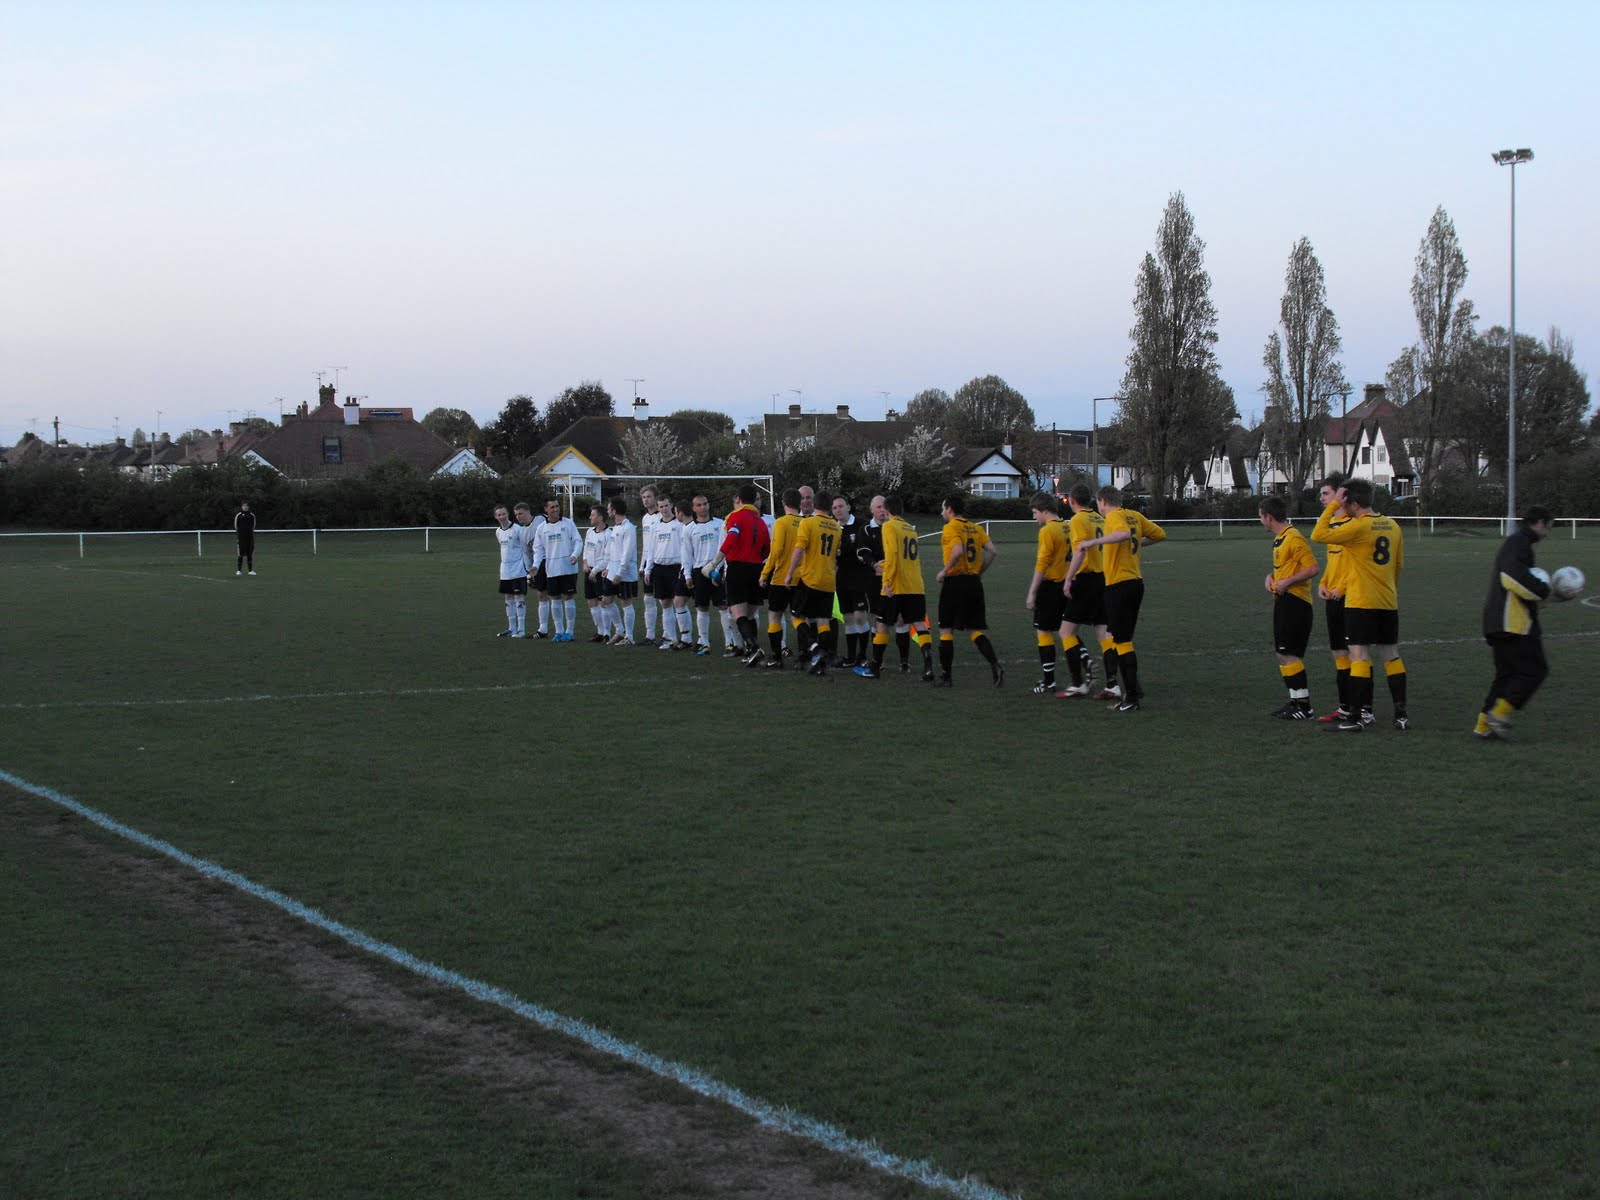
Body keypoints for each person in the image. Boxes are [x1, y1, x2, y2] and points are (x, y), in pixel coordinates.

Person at [1311, 477, 1408, 732]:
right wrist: (1390, 592)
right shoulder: (1393, 526)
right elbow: (1398, 566)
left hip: (1360, 601)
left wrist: (1332, 506)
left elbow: (1318, 534)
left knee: (1359, 655)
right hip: (1388, 601)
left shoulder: (1359, 528)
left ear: (1352, 503)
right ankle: (1401, 715)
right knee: (1391, 655)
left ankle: (1357, 717)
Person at [1074, 486, 1166, 712]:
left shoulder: (1115, 516)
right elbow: (1159, 534)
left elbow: (1124, 534)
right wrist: (1136, 544)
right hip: (1135, 583)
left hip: (1119, 585)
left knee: (1122, 641)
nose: (1098, 507)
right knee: (1115, 637)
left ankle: (1132, 697)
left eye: (1098, 503)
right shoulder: (1134, 515)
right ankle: (1131, 690)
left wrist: (1093, 542)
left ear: (1103, 501)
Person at [1476, 505, 1555, 740]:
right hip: (1513, 623)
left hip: (1497, 621)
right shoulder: (1519, 543)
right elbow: (1512, 577)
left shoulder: (1518, 543)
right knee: (1535, 671)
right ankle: (1499, 716)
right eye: (1548, 526)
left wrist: (1545, 596)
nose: (1548, 532)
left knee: (1507, 675)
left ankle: (1483, 726)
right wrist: (1544, 590)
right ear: (1539, 522)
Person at [857, 494, 935, 680]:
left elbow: (891, 557)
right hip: (915, 584)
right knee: (918, 623)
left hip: (896, 585)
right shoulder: (910, 528)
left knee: (882, 624)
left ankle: (874, 667)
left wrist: (886, 582)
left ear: (888, 509)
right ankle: (929, 667)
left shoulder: (889, 526)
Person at [1258, 495, 1320, 720]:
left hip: (1296, 603)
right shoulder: (1281, 538)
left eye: (1261, 516)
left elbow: (1312, 568)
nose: (1260, 520)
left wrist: (1287, 583)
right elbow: (1285, 568)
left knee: (1289, 654)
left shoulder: (1294, 537)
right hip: (1283, 601)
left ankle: (1304, 706)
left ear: (1269, 517)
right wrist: (1272, 577)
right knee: (1283, 654)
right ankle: (1296, 702)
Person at [933, 493, 1004, 688]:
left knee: (946, 629)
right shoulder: (976, 528)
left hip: (955, 583)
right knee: (974, 629)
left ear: (949, 509)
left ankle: (946, 677)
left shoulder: (951, 527)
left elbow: (957, 552)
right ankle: (995, 664)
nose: (941, 512)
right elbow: (992, 551)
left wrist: (943, 572)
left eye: (943, 508)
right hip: (974, 583)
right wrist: (979, 572)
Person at [701, 483, 772, 666]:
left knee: (737, 612)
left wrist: (713, 564)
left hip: (738, 568)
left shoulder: (736, 516)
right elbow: (766, 550)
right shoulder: (760, 521)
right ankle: (750, 653)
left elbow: (731, 539)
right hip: (756, 569)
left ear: (738, 500)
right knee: (750, 614)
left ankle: (755, 648)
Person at [783, 490, 843, 674]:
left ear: (814, 505)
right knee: (823, 620)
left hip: (810, 578)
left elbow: (799, 549)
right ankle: (821, 660)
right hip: (828, 580)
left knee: (796, 616)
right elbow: (836, 553)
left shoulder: (808, 523)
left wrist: (790, 573)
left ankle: (814, 647)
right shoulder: (836, 526)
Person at [1058, 483, 1109, 699]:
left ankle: (1078, 683)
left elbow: (1079, 552)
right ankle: (1114, 682)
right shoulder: (1100, 518)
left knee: (1066, 632)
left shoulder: (1078, 520)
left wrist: (1068, 579)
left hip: (1087, 579)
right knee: (1104, 634)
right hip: (1103, 579)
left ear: (1072, 501)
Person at [1312, 474, 1355, 725]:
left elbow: (1358, 566)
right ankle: (1345, 706)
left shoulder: (1354, 525)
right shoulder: (1335, 528)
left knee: (1355, 653)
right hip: (1333, 597)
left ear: (1341, 496)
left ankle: (1361, 707)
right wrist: (1324, 584)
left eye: (1326, 494)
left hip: (1349, 598)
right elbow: (1333, 563)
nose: (1322, 499)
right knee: (1339, 652)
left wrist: (1343, 587)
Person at [1024, 492, 1070, 694]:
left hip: (1050, 586)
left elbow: (1042, 564)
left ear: (1044, 510)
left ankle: (1049, 681)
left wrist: (1032, 592)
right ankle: (1084, 664)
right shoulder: (1068, 526)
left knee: (1043, 631)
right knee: (1067, 629)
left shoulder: (1047, 531)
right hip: (1067, 585)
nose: (1034, 517)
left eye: (1035, 512)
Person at [758, 490, 804, 668]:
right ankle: (805, 655)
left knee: (775, 616)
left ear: (783, 502)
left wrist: (764, 574)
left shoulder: (781, 522)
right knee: (799, 617)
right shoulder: (806, 523)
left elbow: (775, 551)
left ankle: (777, 657)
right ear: (800, 503)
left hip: (781, 577)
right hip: (801, 578)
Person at [681, 494, 728, 656]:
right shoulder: (688, 529)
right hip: (699, 572)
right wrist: (687, 575)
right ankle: (704, 643)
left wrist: (723, 570)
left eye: (705, 504)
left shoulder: (720, 524)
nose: (703, 507)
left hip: (717, 569)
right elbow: (686, 555)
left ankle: (730, 643)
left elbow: (726, 550)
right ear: (694, 509)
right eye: (699, 505)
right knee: (702, 607)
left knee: (723, 606)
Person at [532, 498, 583, 641]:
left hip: (568, 569)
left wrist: (574, 555)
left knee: (568, 598)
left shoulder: (568, 523)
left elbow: (578, 541)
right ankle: (559, 631)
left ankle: (570, 631)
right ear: (546, 510)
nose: (555, 509)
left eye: (557, 506)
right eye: (552, 507)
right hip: (552, 569)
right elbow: (538, 549)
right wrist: (536, 565)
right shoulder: (541, 528)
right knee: (554, 599)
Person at [832, 494, 874, 667]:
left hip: (860, 576)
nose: (838, 510)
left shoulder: (861, 525)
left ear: (849, 507)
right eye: (834, 508)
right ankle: (850, 657)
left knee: (859, 617)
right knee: (848, 618)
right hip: (842, 576)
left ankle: (863, 655)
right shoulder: (833, 528)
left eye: (841, 506)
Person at [601, 496, 640, 645]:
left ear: (614, 510)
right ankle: (619, 630)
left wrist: (620, 572)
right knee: (606, 600)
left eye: (609, 508)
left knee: (625, 602)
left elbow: (627, 553)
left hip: (625, 573)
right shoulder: (615, 528)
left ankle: (629, 637)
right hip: (613, 571)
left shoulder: (628, 528)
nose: (607, 511)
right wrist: (609, 568)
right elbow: (614, 552)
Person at [492, 504, 529, 637]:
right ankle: (511, 628)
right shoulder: (498, 532)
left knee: (519, 598)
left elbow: (525, 549)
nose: (502, 517)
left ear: (508, 514)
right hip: (505, 571)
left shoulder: (518, 529)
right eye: (499, 515)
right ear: (496, 517)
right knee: (508, 598)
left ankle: (521, 630)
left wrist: (527, 567)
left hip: (518, 570)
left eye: (503, 514)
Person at [581, 504, 613, 642]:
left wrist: (595, 570)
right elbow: (586, 549)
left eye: (592, 515)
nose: (590, 517)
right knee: (591, 601)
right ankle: (600, 632)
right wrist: (584, 562)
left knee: (603, 602)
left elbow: (608, 558)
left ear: (600, 517)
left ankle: (607, 633)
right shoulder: (589, 532)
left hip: (600, 573)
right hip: (589, 571)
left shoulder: (608, 534)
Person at [637, 485, 661, 644]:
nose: (646, 500)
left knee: (664, 599)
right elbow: (646, 544)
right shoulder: (645, 518)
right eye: (643, 497)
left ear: (655, 498)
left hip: (660, 560)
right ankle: (650, 635)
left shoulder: (662, 516)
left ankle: (668, 635)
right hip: (647, 562)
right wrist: (642, 565)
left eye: (649, 496)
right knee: (648, 598)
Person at [234, 500, 256, 576]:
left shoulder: (251, 515)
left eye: (246, 506)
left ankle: (250, 571)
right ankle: (239, 571)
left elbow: (253, 526)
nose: (245, 507)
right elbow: (236, 526)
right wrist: (240, 534)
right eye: (244, 506)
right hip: (241, 538)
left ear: (248, 507)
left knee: (250, 554)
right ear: (242, 507)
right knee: (240, 554)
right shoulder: (239, 515)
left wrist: (249, 533)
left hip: (250, 538)